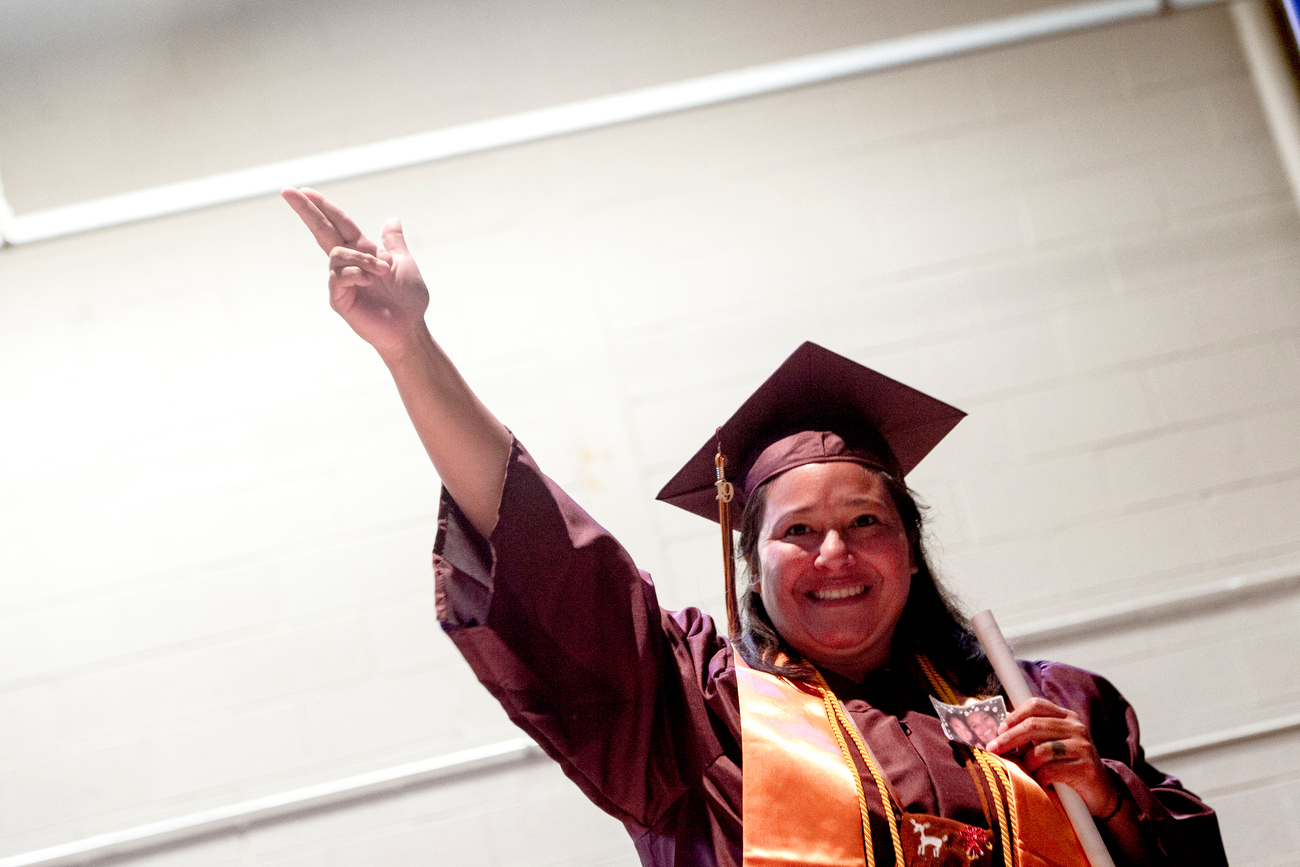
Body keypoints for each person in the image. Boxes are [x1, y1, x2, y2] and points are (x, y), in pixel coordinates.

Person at [283, 188, 1229, 867]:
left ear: (910, 543)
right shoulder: (700, 712)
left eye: (866, 519)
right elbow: (551, 562)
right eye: (797, 531)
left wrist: (1109, 795)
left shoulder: (1045, 702)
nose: (835, 553)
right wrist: (413, 351)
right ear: (753, 560)